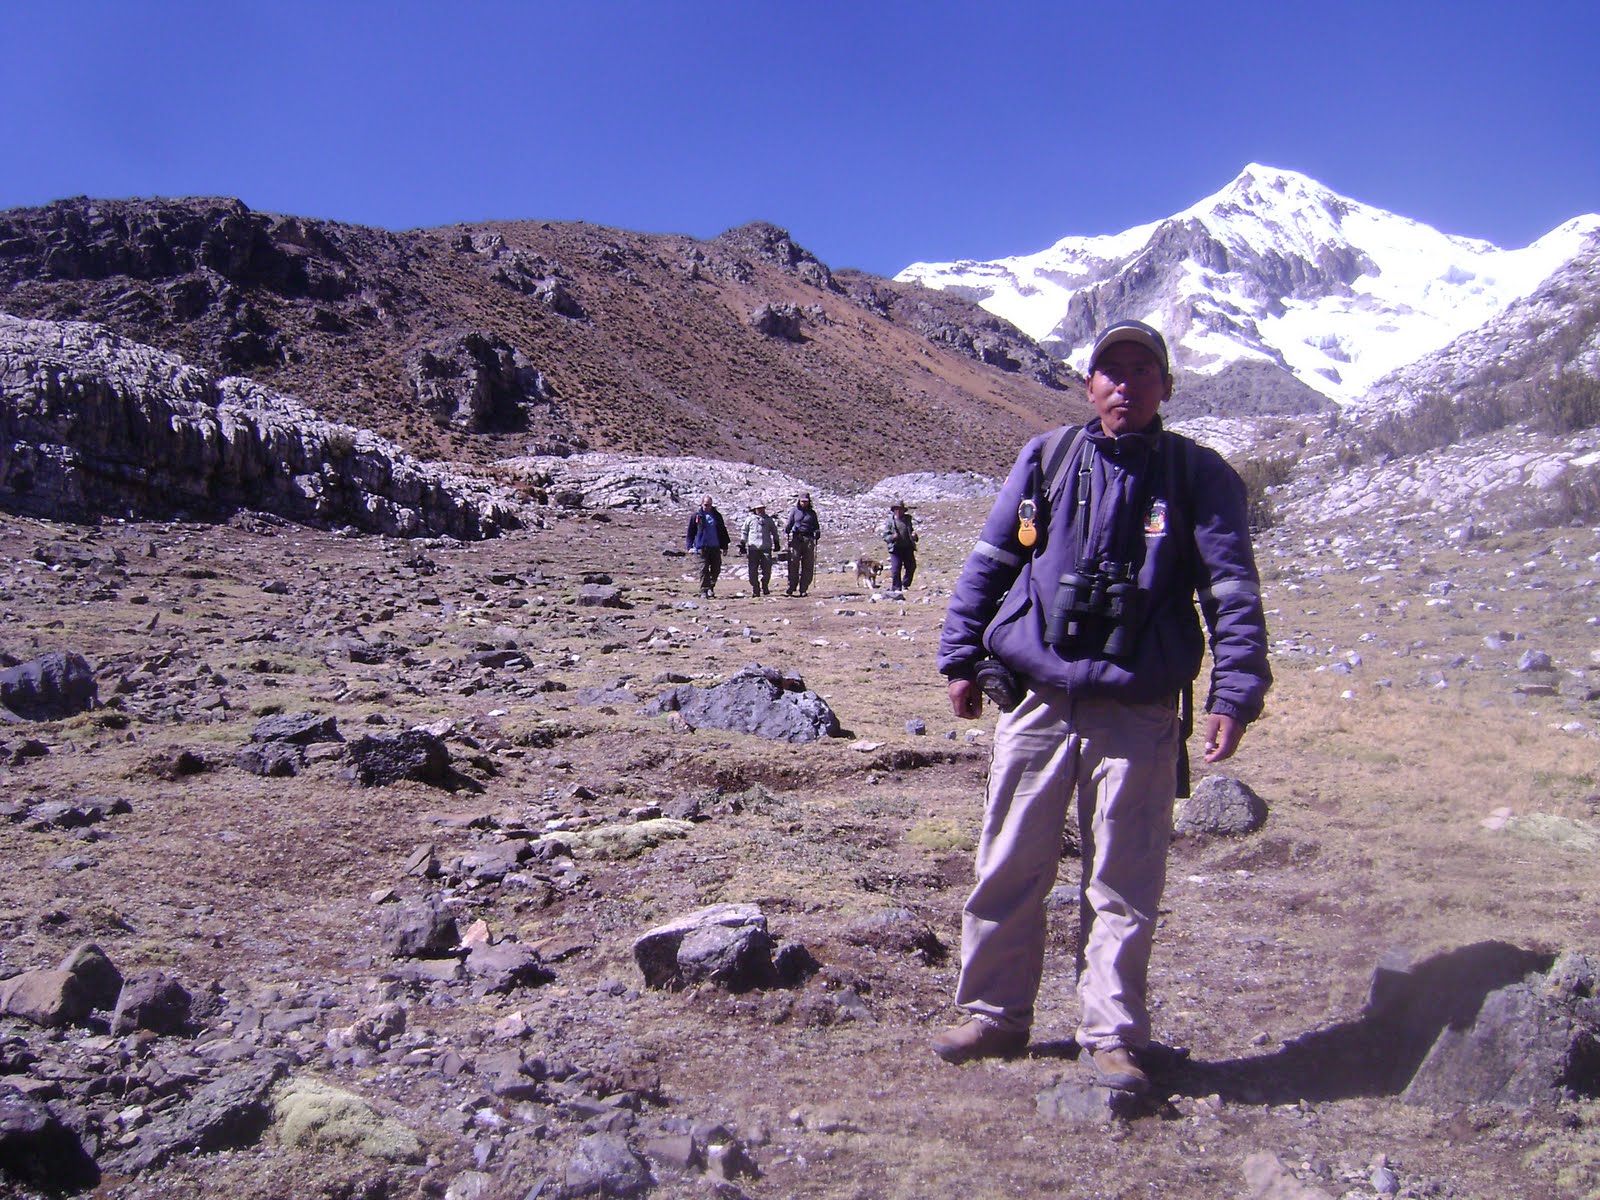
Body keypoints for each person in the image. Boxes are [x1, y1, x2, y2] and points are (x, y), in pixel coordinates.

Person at [930, 319, 1271, 1093]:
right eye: (1110, 370)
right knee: (1008, 863)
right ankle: (992, 1013)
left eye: (1142, 370)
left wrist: (1236, 691)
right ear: (1088, 384)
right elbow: (990, 560)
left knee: (1124, 876)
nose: (1125, 383)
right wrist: (959, 658)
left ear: (1166, 388)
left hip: (1140, 709)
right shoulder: (1046, 458)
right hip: (1037, 701)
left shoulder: (1199, 476)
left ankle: (1110, 1034)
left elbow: (1231, 594)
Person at [685, 495, 730, 598]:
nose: (707, 507)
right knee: (703, 569)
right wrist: (689, 547)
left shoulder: (717, 516)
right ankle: (704, 591)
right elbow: (690, 532)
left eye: (709, 505)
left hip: (715, 546)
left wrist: (725, 546)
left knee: (716, 569)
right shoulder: (696, 516)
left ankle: (710, 587)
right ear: (701, 504)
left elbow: (722, 531)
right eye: (705, 505)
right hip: (701, 547)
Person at [739, 502, 782, 597]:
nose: (761, 510)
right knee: (752, 570)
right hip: (753, 548)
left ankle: (765, 585)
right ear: (755, 509)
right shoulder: (749, 520)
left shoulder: (769, 520)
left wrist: (776, 542)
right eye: (758, 509)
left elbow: (774, 531)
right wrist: (742, 543)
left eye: (762, 508)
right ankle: (755, 587)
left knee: (767, 569)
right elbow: (744, 532)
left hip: (766, 548)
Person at [784, 492, 821, 595]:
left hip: (808, 539)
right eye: (802, 501)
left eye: (806, 502)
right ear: (799, 501)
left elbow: (816, 526)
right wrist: (787, 530)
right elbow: (790, 523)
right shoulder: (794, 512)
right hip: (796, 539)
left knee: (808, 564)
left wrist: (817, 532)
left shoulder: (812, 513)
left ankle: (803, 588)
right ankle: (792, 586)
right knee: (793, 563)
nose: (804, 503)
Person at [879, 500, 918, 594]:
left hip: (908, 548)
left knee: (911, 567)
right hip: (896, 549)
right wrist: (892, 537)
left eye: (901, 509)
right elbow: (885, 536)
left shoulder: (907, 520)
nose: (899, 511)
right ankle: (896, 587)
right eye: (897, 509)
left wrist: (914, 536)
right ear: (894, 510)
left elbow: (911, 531)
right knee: (896, 569)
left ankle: (905, 584)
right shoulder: (890, 522)